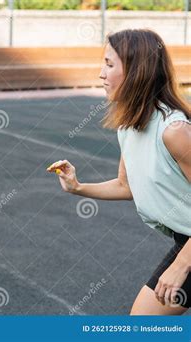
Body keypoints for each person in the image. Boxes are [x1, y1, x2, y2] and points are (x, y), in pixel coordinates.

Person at [47, 29, 190, 315]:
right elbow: (126, 185)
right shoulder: (129, 125)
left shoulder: (174, 132)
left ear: (137, 71)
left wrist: (181, 265)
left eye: (109, 65)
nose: (101, 74)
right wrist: (78, 187)